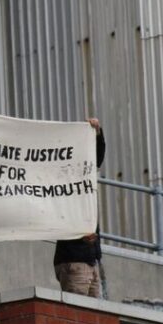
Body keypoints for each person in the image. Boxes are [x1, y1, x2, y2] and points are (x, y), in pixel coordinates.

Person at [53, 118, 105, 297]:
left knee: (94, 318)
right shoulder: (59, 182)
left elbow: (96, 157)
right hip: (74, 258)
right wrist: (81, 235)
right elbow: (58, 216)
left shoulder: (84, 173)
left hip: (91, 259)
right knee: (78, 316)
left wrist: (97, 133)